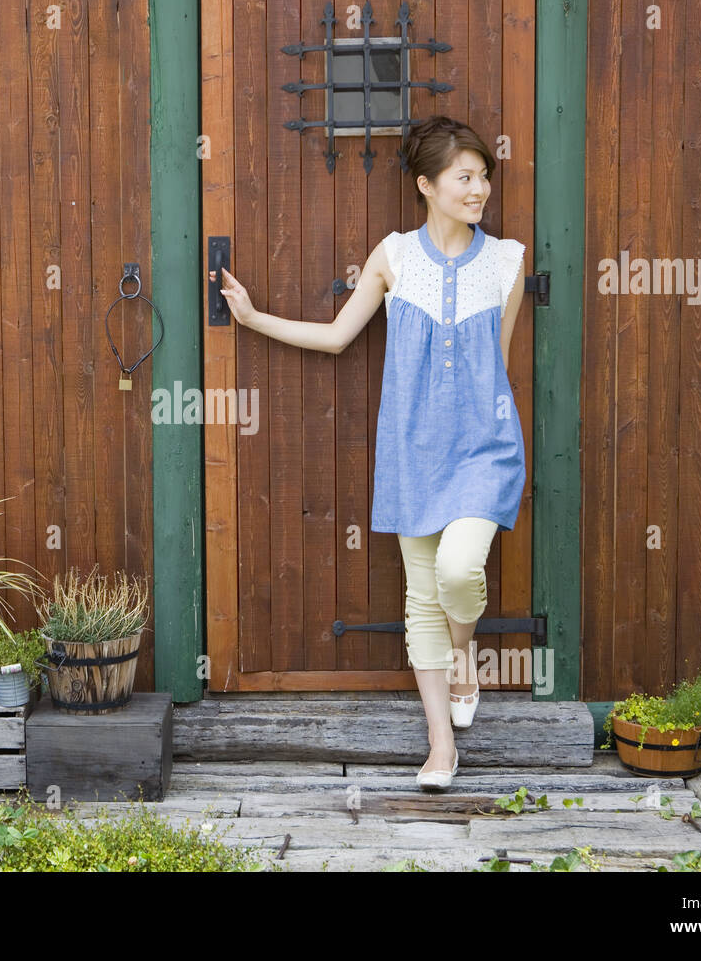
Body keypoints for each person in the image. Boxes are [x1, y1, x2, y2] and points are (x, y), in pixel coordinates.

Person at [212, 115, 528, 791]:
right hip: (412, 450)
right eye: (464, 178)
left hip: (484, 450)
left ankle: (465, 656)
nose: (479, 190)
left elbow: (496, 366)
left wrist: (495, 433)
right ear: (427, 185)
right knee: (422, 597)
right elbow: (335, 338)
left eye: (483, 178)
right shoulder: (394, 257)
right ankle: (441, 747)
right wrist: (253, 317)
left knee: (458, 568)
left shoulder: (508, 261)